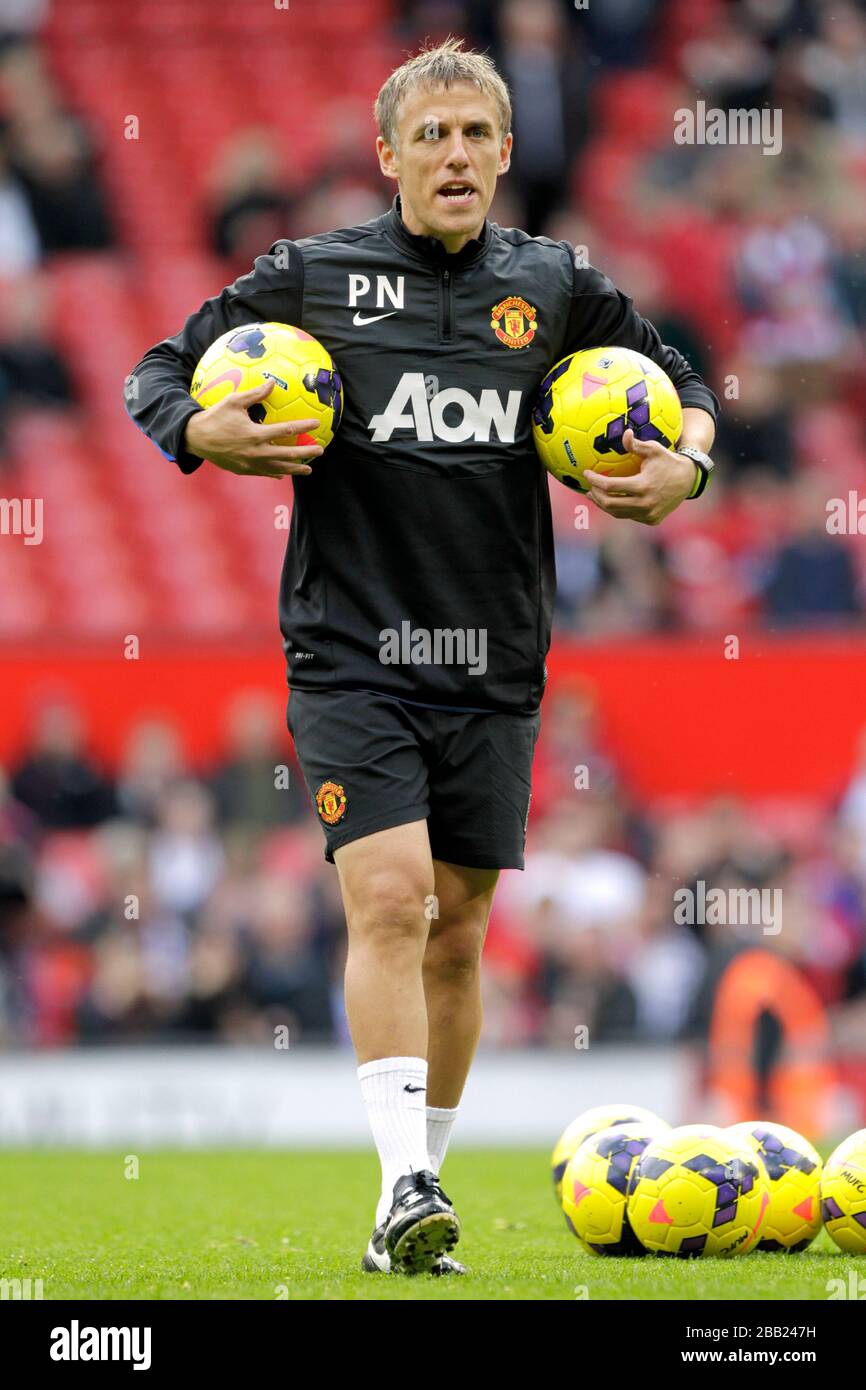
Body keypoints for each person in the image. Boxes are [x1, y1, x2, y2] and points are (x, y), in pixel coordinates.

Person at [125, 37, 719, 1276]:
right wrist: (201, 431)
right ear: (387, 153)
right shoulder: (311, 276)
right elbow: (157, 368)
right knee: (389, 898)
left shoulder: (555, 286)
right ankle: (400, 1183)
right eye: (432, 135)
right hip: (351, 653)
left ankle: (419, 1195)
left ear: (505, 153)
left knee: (457, 930)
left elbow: (683, 379)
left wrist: (688, 459)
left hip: (495, 662)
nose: (455, 156)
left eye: (476, 136)